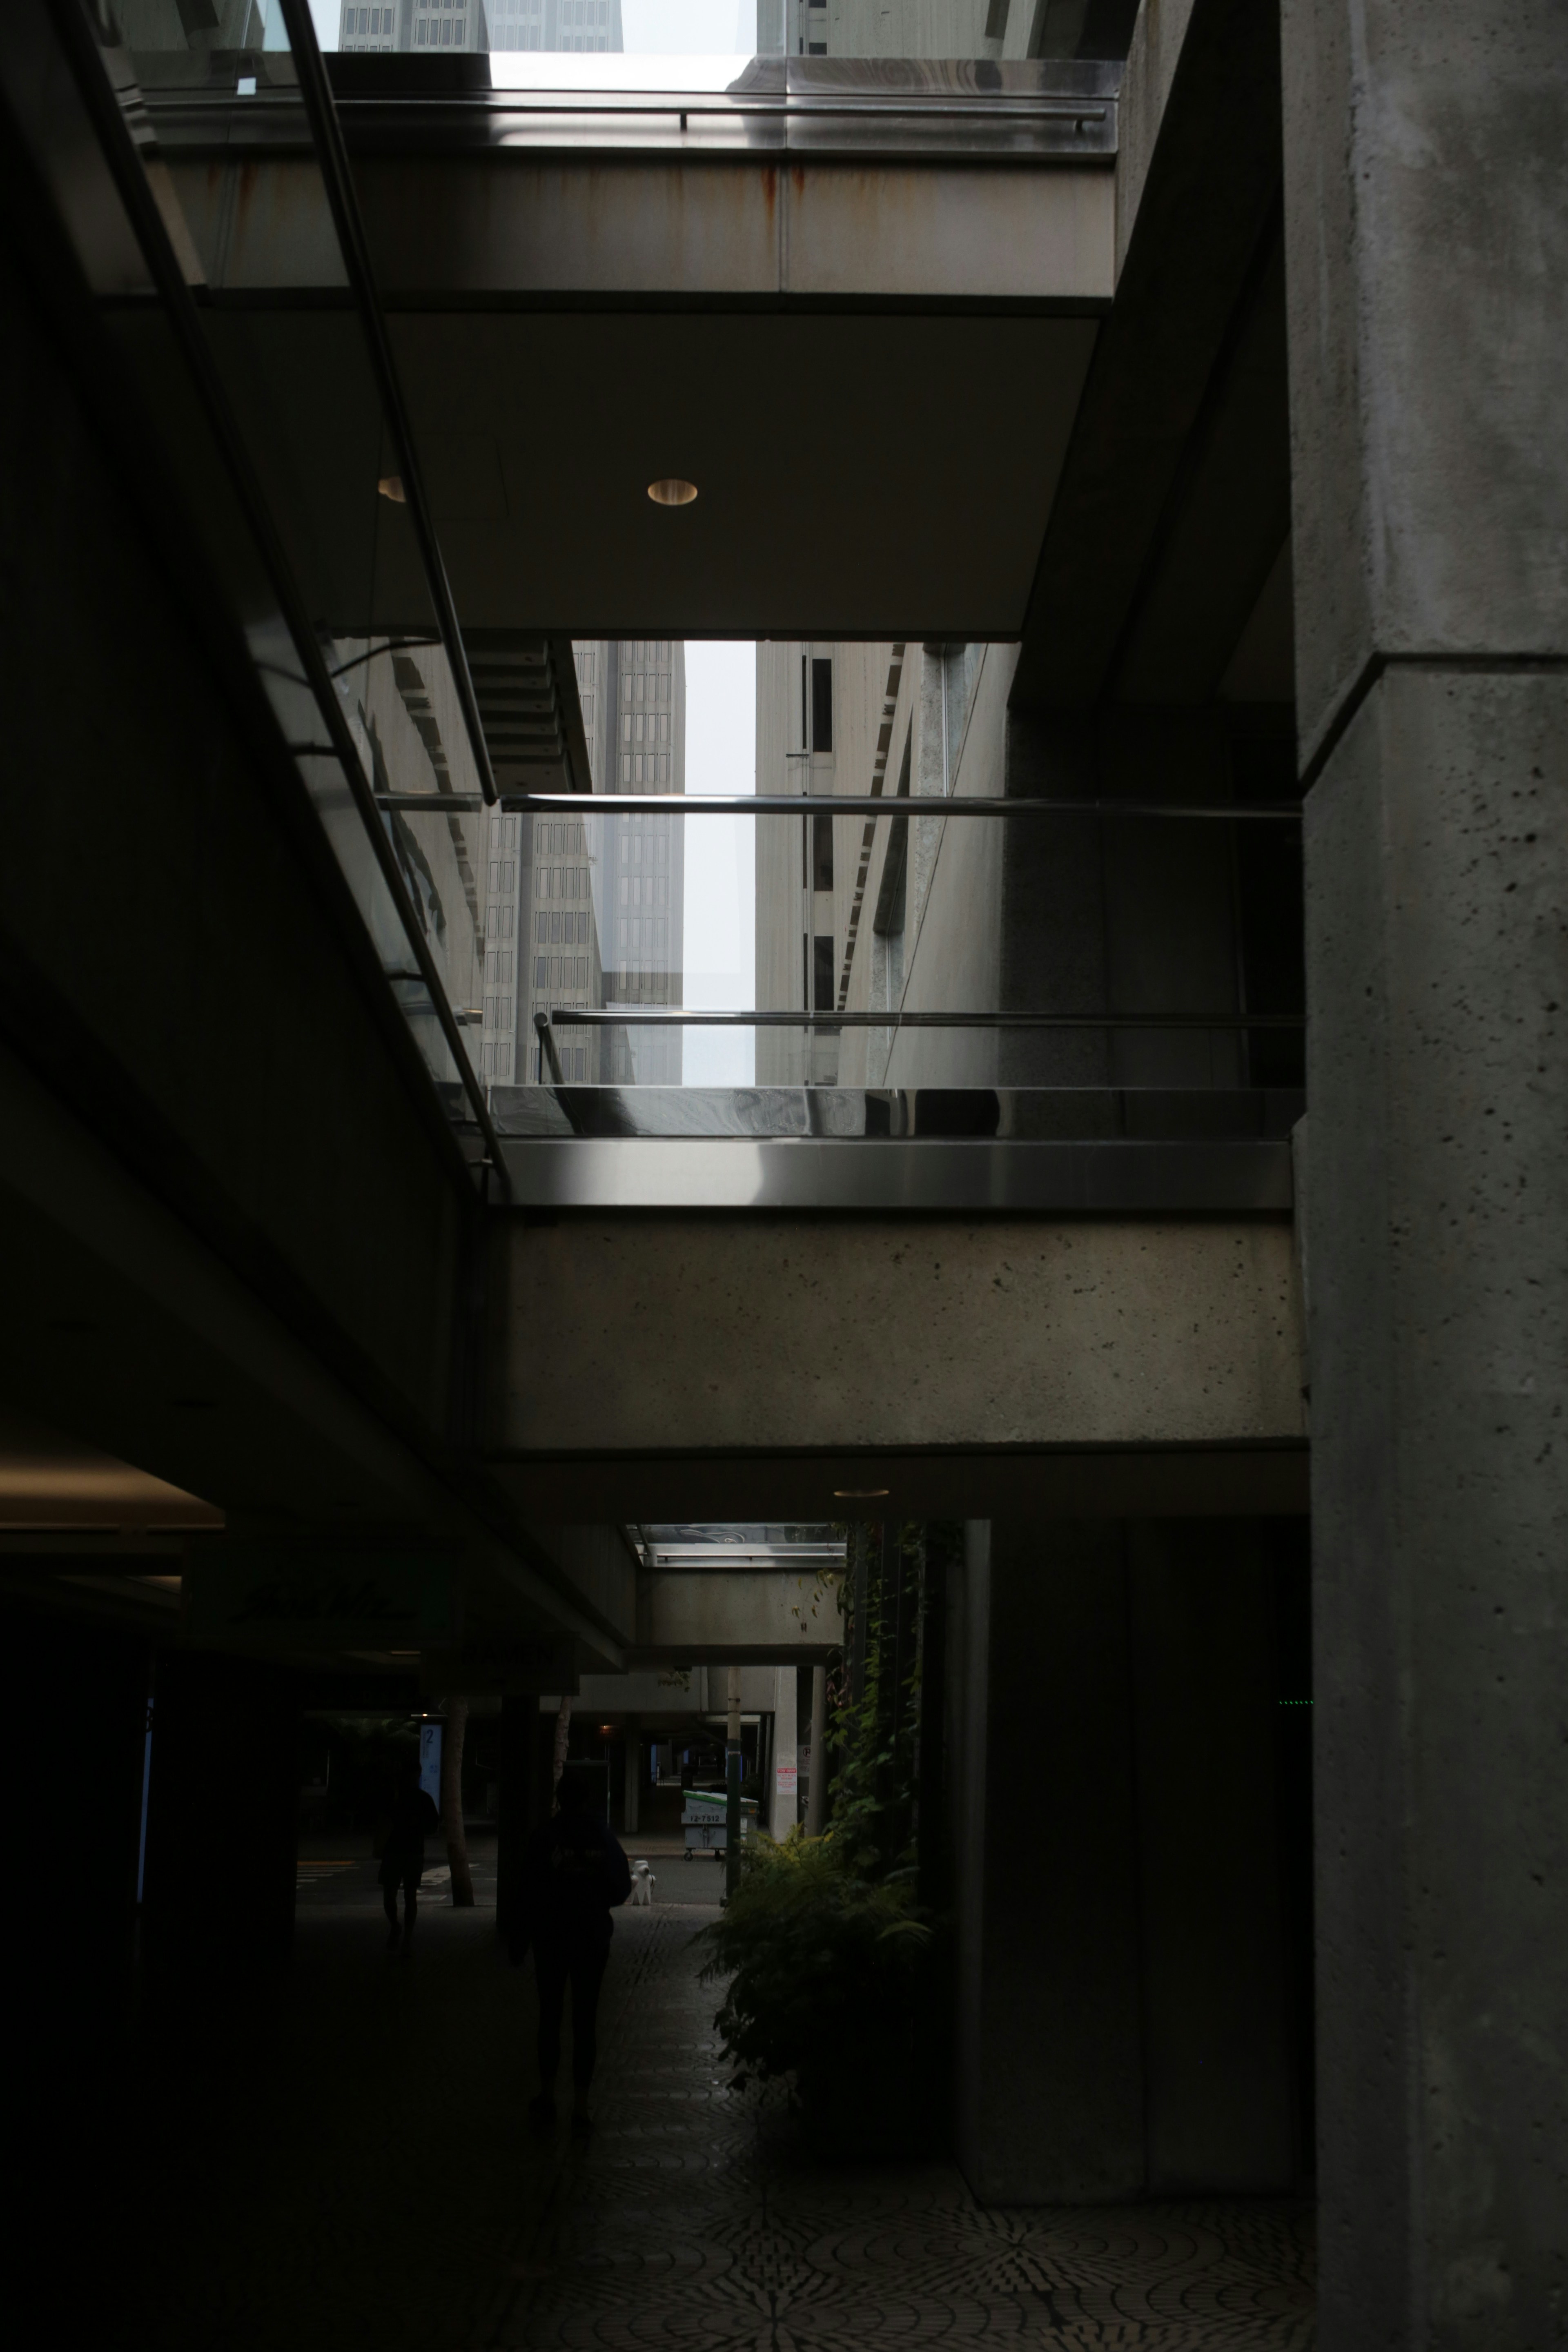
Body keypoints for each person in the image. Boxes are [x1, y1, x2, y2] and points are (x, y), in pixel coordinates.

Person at [521, 1771, 632, 2129]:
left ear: (559, 1798)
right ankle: (581, 2107)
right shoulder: (602, 1837)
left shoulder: (545, 1837)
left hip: (551, 1938)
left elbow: (527, 1890)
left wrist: (521, 1940)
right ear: (587, 1800)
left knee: (549, 2017)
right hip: (591, 1937)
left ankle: (548, 2095)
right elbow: (620, 1887)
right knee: (585, 2022)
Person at [379, 1753, 439, 1956]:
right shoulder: (422, 1799)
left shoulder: (395, 1797)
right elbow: (433, 1826)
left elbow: (383, 1821)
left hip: (396, 1851)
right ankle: (406, 1936)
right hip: (412, 1851)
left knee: (393, 1894)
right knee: (408, 1895)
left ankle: (399, 1929)